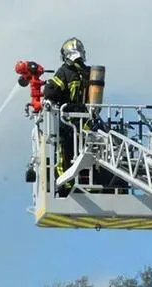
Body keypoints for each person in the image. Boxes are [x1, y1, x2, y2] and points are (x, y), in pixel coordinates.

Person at [42, 37, 90, 194]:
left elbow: (50, 92)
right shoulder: (88, 72)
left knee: (65, 152)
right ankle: (85, 182)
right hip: (85, 122)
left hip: (68, 120)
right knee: (85, 152)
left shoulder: (65, 71)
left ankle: (66, 185)